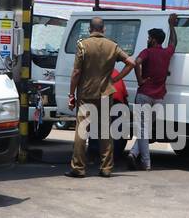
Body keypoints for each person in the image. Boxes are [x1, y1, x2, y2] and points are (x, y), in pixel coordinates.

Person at [67, 17, 136, 178]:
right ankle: (106, 168)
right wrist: (115, 79)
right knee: (105, 131)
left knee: (82, 131)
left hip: (86, 94)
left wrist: (71, 94)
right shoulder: (112, 46)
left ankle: (78, 168)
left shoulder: (83, 45)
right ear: (103, 29)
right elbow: (131, 62)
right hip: (105, 93)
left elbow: (76, 73)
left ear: (90, 30)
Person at [128, 13, 177, 170]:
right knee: (146, 129)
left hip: (144, 95)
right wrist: (171, 25)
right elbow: (173, 42)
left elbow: (136, 62)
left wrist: (140, 80)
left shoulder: (147, 52)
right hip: (159, 99)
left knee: (142, 130)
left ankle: (146, 162)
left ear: (154, 39)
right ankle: (133, 153)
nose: (148, 40)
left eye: (149, 38)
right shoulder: (166, 53)